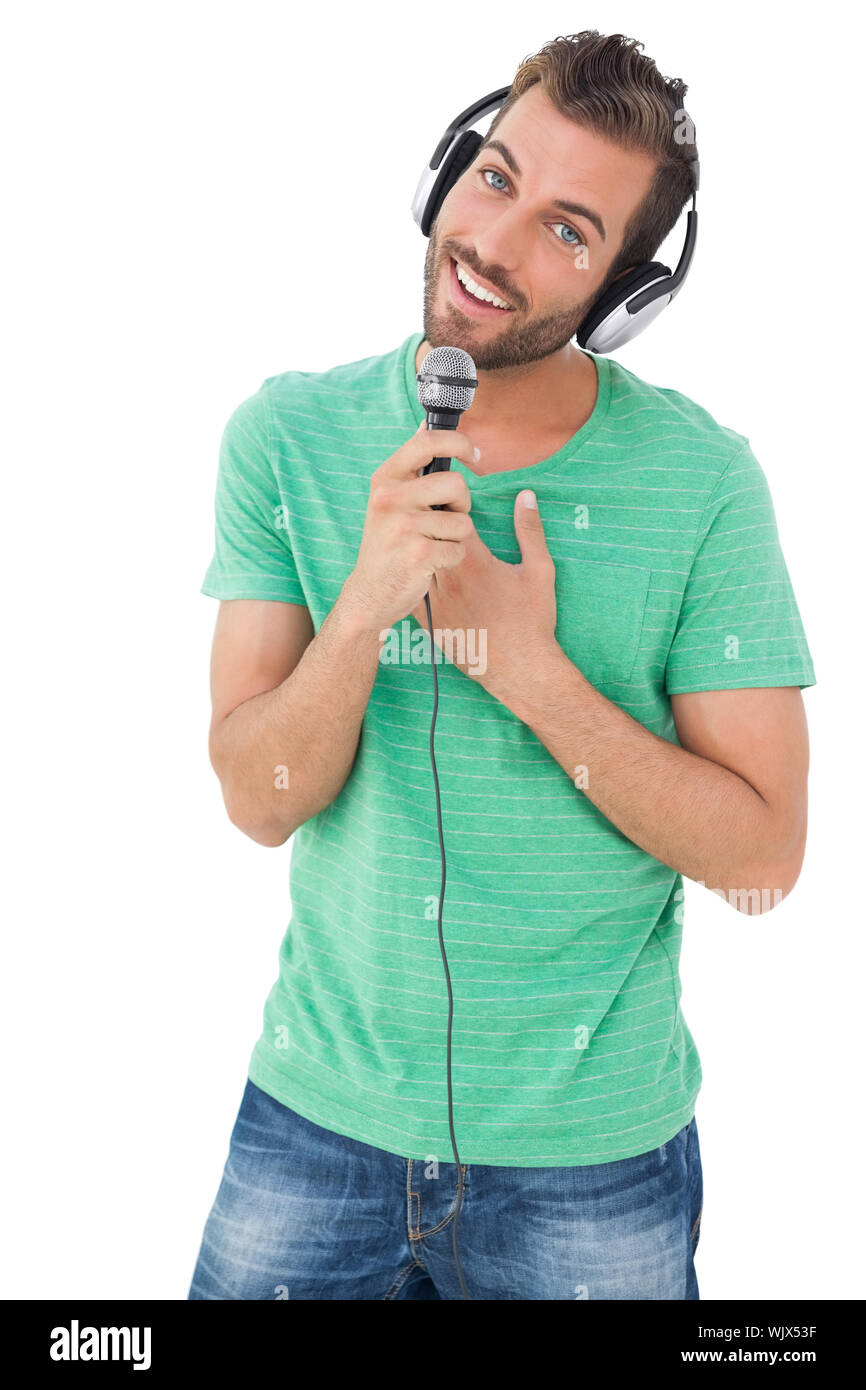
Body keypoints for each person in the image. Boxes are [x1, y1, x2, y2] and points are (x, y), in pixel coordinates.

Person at [188, 31, 815, 1301]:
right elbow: (257, 802)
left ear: (626, 293)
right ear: (447, 172)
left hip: (593, 1166)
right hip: (315, 1124)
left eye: (568, 231)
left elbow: (762, 856)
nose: (493, 243)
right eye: (493, 176)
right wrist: (362, 609)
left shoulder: (702, 483)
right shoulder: (284, 437)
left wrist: (527, 668)